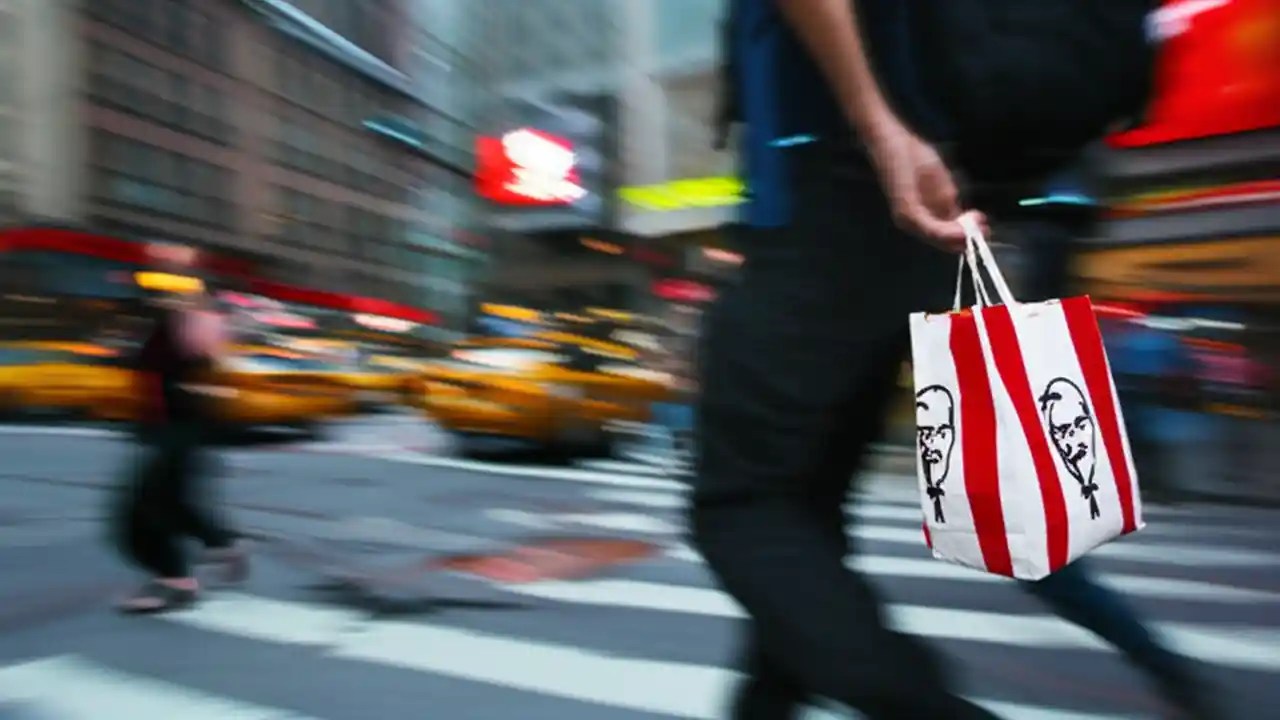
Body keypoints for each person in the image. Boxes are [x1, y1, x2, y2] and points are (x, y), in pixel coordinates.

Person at [693, 1, 1220, 718]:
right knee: (803, 523)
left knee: (741, 509)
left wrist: (882, 130)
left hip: (830, 191)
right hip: (926, 214)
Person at [113, 246, 247, 613]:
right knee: (172, 504)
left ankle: (176, 582)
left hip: (178, 430)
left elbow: (197, 358)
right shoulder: (169, 319)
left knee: (141, 515)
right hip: (172, 429)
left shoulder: (192, 318)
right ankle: (221, 546)